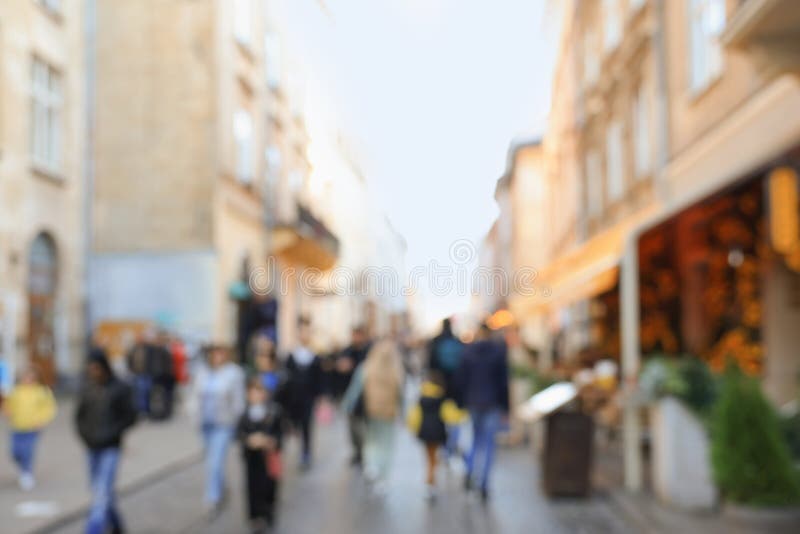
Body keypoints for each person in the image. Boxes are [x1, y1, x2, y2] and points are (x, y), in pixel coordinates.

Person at [75, 350, 137, 534]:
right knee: (99, 490)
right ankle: (117, 526)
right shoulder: (87, 388)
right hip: (91, 446)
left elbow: (130, 416)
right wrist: (85, 435)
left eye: (96, 368)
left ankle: (93, 529)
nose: (93, 372)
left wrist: (113, 432)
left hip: (111, 446)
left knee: (102, 491)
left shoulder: (119, 388)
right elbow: (79, 416)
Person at [342, 340, 405, 495]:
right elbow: (402, 395)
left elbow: (355, 390)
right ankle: (382, 476)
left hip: (371, 410)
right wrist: (404, 414)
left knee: (371, 440)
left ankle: (371, 466)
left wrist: (347, 406)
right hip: (389, 412)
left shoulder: (366, 367)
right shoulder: (396, 370)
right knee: (386, 444)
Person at [457, 323, 510, 503]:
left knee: (475, 440)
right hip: (492, 403)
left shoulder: (468, 352)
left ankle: (470, 470)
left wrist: (462, 401)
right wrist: (506, 407)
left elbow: (462, 380)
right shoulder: (498, 352)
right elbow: (503, 383)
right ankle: (484, 483)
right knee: (488, 444)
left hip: (473, 402)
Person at [191, 344, 246, 517]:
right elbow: (195, 396)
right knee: (212, 461)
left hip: (224, 424)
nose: (217, 357)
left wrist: (238, 422)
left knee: (214, 462)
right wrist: (193, 416)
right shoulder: (203, 372)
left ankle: (212, 498)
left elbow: (238, 401)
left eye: (221, 353)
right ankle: (221, 488)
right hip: (206, 423)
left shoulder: (234, 373)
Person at [406, 370, 465, 502]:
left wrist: (413, 429)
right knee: (434, 459)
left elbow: (414, 417)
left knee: (429, 458)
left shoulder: (421, 398)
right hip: (438, 433)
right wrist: (463, 415)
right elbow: (450, 415)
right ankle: (431, 482)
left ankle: (430, 483)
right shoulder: (441, 398)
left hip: (424, 433)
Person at [237, 377, 285, 532]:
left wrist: (270, 441)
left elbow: (280, 434)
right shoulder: (244, 414)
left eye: (259, 391)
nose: (255, 395)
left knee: (269, 487)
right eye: (252, 392)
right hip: (252, 459)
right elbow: (240, 434)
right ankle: (255, 516)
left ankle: (268, 513)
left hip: (269, 457)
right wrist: (249, 440)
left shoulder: (274, 411)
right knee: (252, 488)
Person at [3, 367, 57, 491]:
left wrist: (42, 420)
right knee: (15, 452)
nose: (27, 379)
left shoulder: (41, 391)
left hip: (32, 427)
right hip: (17, 426)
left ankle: (26, 473)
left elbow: (49, 408)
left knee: (27, 451)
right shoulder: (16, 391)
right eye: (25, 376)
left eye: (30, 377)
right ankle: (23, 467)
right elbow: (8, 404)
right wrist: (7, 411)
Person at [285, 323, 323, 470]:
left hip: (308, 397)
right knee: (294, 425)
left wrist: (320, 396)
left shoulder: (315, 357)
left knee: (307, 426)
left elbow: (319, 378)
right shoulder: (292, 356)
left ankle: (306, 452)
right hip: (293, 398)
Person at [427, 318, 465, 461]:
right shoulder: (457, 341)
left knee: (440, 417)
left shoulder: (435, 342)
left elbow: (430, 365)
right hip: (455, 387)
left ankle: (443, 446)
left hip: (438, 386)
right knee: (454, 418)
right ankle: (452, 444)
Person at [337, 326, 371, 466]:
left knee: (363, 426)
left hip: (365, 394)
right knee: (352, 425)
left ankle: (365, 452)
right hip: (349, 393)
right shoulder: (347, 351)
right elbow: (338, 368)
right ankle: (357, 451)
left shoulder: (368, 351)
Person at [126, 333, 153, 416]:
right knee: (139, 392)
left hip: (146, 373)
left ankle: (146, 409)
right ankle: (140, 410)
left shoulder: (147, 349)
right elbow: (128, 359)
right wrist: (131, 369)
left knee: (147, 391)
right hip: (136, 373)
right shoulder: (133, 349)